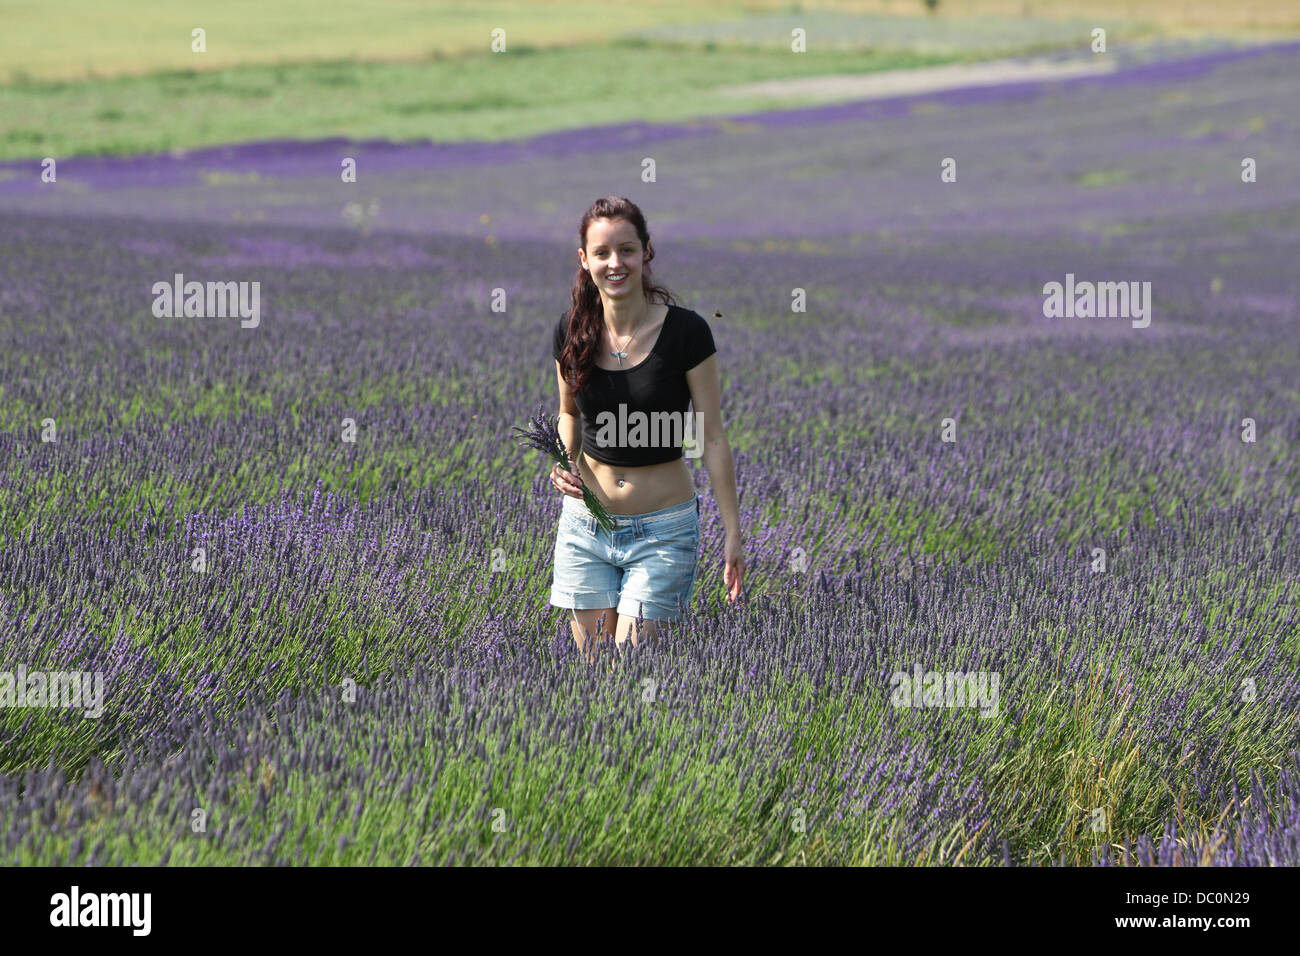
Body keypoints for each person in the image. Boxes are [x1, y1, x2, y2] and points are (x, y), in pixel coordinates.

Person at [548, 196, 744, 665]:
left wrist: (733, 531)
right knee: (591, 673)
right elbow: (569, 413)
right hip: (585, 528)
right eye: (602, 252)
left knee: (630, 670)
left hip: (662, 532)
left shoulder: (687, 333)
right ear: (585, 260)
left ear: (647, 252)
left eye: (627, 250)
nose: (615, 263)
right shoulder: (572, 331)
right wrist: (560, 460)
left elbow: (711, 435)